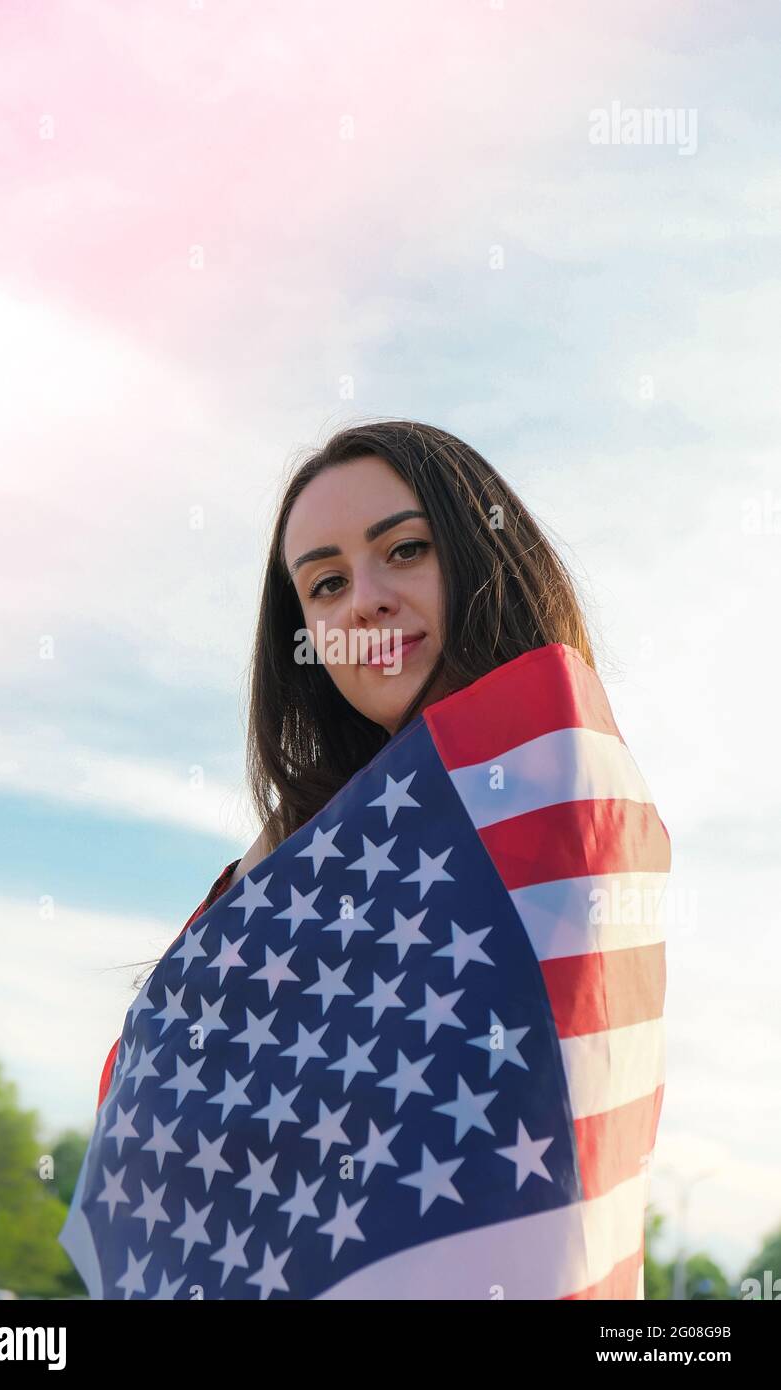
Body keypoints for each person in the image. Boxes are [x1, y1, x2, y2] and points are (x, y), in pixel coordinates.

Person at [96, 417, 598, 1112]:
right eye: (326, 585)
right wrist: (283, 845)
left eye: (407, 548)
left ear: (486, 555)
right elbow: (152, 1080)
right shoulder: (316, 840)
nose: (365, 602)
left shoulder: (564, 799)